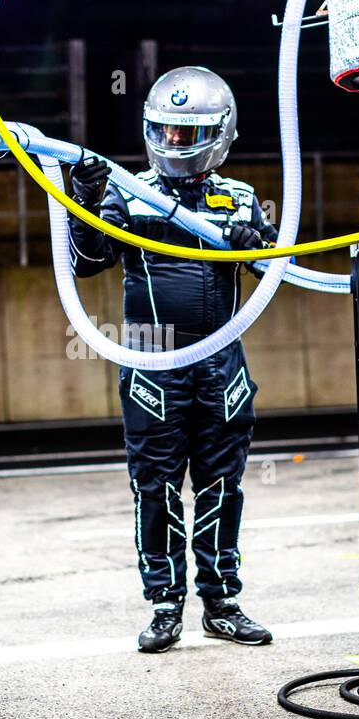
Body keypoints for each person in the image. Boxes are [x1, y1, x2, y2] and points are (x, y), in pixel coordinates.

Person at [67, 66, 276, 654]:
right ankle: (164, 606)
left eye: (189, 134)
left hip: (221, 356)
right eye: (166, 131)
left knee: (221, 484)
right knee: (154, 486)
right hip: (152, 361)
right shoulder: (126, 191)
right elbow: (86, 262)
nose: (175, 144)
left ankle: (221, 602)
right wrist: (81, 197)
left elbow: (271, 268)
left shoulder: (238, 198)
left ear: (219, 133)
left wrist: (253, 243)